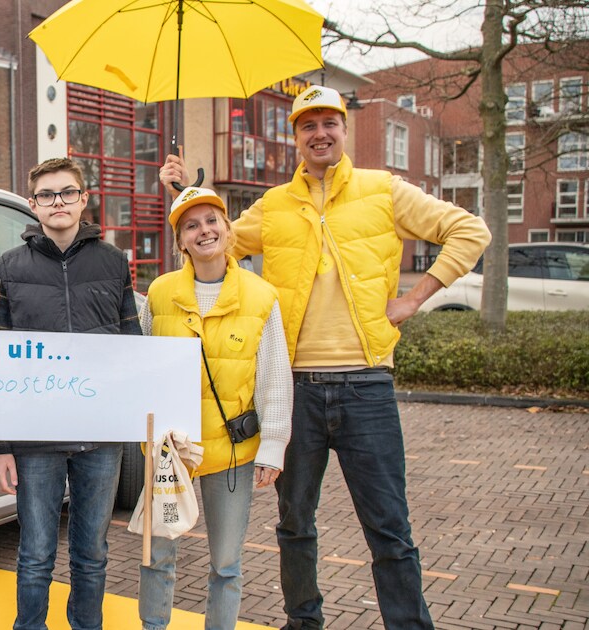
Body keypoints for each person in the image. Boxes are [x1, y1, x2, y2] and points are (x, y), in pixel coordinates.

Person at [160, 85, 491, 630]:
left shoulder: (384, 191)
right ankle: (303, 621)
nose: (320, 133)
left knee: (389, 526)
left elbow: (468, 230)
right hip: (297, 390)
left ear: (343, 129)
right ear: (295, 137)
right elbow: (212, 239)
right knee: (294, 523)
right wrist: (186, 194)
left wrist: (412, 299)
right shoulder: (274, 206)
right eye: (307, 125)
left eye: (329, 123)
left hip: (368, 386)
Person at [0, 157, 142, 630]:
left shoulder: (113, 263)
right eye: (48, 195)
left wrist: (140, 420)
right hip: (34, 439)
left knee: (92, 553)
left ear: (84, 199)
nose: (59, 202)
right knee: (35, 553)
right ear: (33, 205)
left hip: (100, 436)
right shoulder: (9, 268)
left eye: (67, 192)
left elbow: (131, 346)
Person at [137, 187, 293, 630]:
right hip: (171, 453)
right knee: (157, 555)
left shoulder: (262, 297)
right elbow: (142, 366)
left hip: (231, 455)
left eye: (211, 221)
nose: (204, 230)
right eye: (191, 225)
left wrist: (273, 446)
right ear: (180, 242)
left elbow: (275, 377)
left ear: (227, 229)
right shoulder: (161, 293)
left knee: (226, 563)